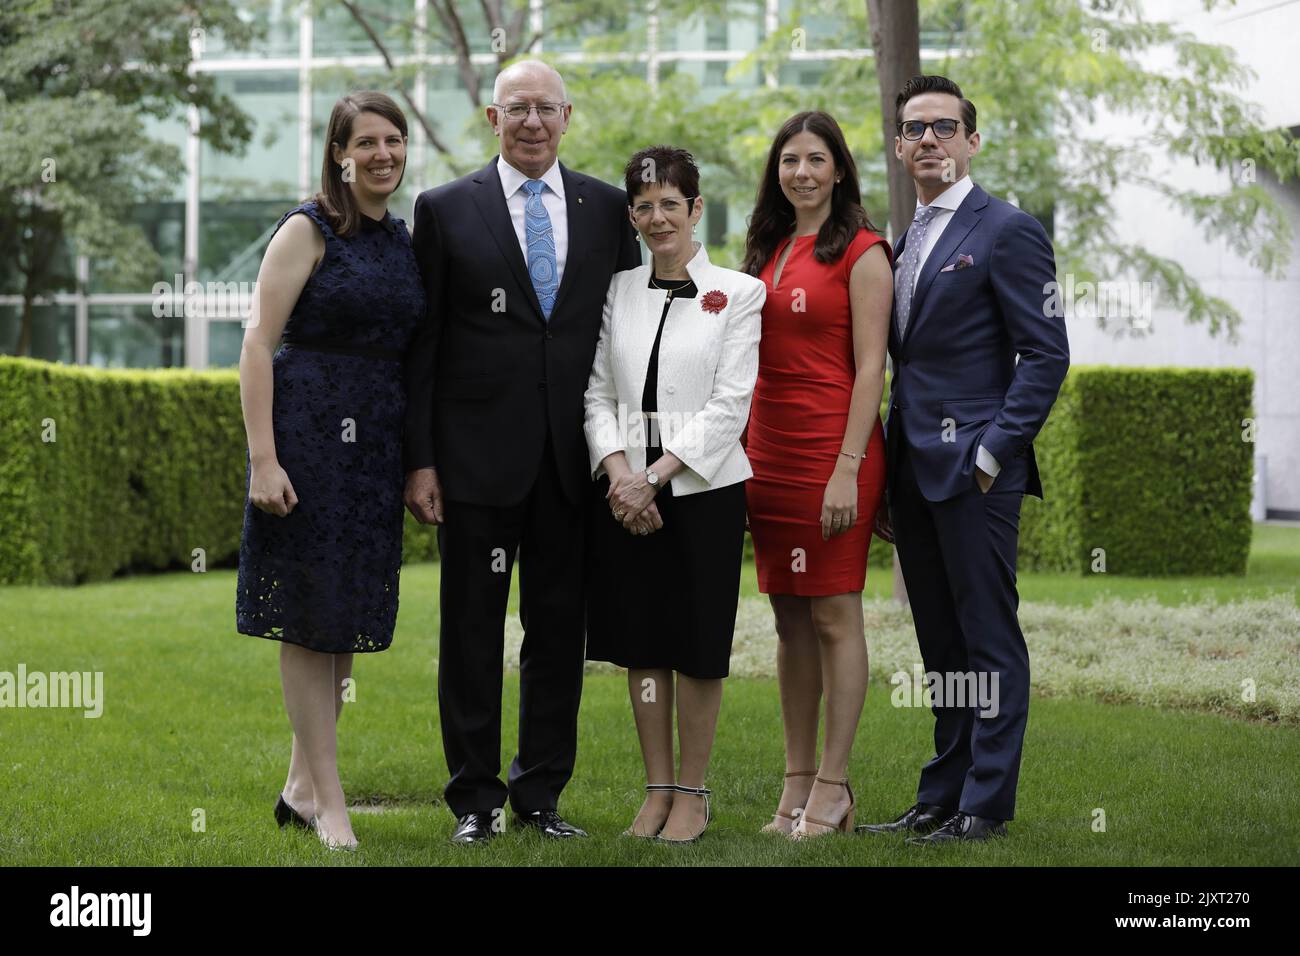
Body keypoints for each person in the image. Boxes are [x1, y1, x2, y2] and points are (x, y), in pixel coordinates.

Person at [402, 60, 641, 844]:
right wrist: (421, 459)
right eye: (517, 109)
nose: (532, 122)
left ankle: (540, 794)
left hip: (574, 461)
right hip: (474, 462)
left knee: (558, 630)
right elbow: (424, 343)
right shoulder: (443, 209)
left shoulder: (608, 209)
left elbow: (625, 339)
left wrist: (630, 452)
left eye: (545, 108)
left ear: (567, 117)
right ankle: (475, 799)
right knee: (471, 630)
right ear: (491, 120)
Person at [860, 75, 1069, 844]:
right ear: (898, 145)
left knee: (987, 637)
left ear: (972, 141)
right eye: (914, 130)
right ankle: (940, 795)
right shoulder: (906, 237)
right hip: (913, 472)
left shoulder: (1008, 229)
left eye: (943, 128)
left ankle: (985, 804)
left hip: (976, 474)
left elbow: (1045, 355)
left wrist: (989, 453)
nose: (928, 141)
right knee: (941, 644)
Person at [236, 91, 423, 851]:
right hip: (307, 441)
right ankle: (331, 803)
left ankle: (300, 786)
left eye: (395, 140)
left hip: (374, 446)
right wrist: (263, 460)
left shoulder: (401, 240)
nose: (384, 154)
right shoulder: (304, 229)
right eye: (367, 142)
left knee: (342, 620)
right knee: (311, 620)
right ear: (340, 154)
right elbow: (256, 344)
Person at [584, 146, 764, 843]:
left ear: (695, 209)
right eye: (644, 206)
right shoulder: (616, 289)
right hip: (624, 490)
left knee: (696, 643)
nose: (658, 218)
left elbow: (731, 403)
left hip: (704, 488)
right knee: (642, 642)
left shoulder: (740, 292)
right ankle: (655, 789)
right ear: (632, 216)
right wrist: (621, 471)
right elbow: (597, 391)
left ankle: (693, 792)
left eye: (670, 204)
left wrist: (656, 476)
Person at [741, 111, 894, 839]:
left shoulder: (862, 251)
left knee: (834, 615)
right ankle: (794, 786)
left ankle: (833, 788)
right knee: (789, 620)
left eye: (816, 159)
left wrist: (846, 468)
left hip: (834, 453)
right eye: (790, 160)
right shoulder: (765, 249)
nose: (801, 172)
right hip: (766, 455)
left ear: (839, 169)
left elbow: (872, 369)